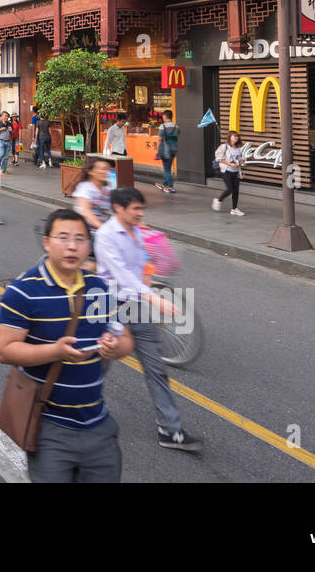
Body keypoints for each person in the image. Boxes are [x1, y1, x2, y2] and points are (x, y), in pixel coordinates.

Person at [0, 208, 134, 482]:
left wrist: (115, 347)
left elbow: (125, 339)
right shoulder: (23, 291)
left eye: (81, 239)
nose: (72, 246)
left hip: (98, 424)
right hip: (50, 428)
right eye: (63, 237)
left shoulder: (100, 288)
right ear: (47, 242)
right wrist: (55, 351)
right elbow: (5, 350)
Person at [95, 188, 203, 452]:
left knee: (155, 368)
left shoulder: (136, 232)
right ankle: (80, 410)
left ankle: (170, 429)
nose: (140, 213)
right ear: (119, 208)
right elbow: (121, 275)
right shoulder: (105, 236)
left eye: (141, 209)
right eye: (135, 209)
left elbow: (140, 265)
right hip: (109, 307)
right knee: (99, 367)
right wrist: (155, 299)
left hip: (138, 306)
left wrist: (149, 273)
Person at [72, 155, 113, 233]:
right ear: (91, 171)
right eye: (102, 169)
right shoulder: (85, 188)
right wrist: (103, 228)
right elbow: (86, 212)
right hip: (85, 231)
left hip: (102, 231)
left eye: (107, 169)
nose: (106, 172)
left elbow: (119, 207)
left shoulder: (107, 189)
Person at [212, 131, 244, 216]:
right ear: (229, 137)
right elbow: (218, 158)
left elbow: (240, 157)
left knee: (236, 191)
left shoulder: (238, 148)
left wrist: (241, 161)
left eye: (237, 136)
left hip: (236, 172)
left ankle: (234, 209)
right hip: (226, 171)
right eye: (234, 136)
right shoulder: (224, 147)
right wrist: (230, 164)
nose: (236, 138)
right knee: (230, 189)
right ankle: (219, 200)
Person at [153, 110, 180, 194]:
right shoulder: (176, 126)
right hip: (174, 149)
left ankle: (170, 186)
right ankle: (164, 183)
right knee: (168, 166)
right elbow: (177, 135)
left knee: (167, 169)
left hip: (165, 150)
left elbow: (160, 139)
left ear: (165, 116)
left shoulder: (162, 126)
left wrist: (158, 149)